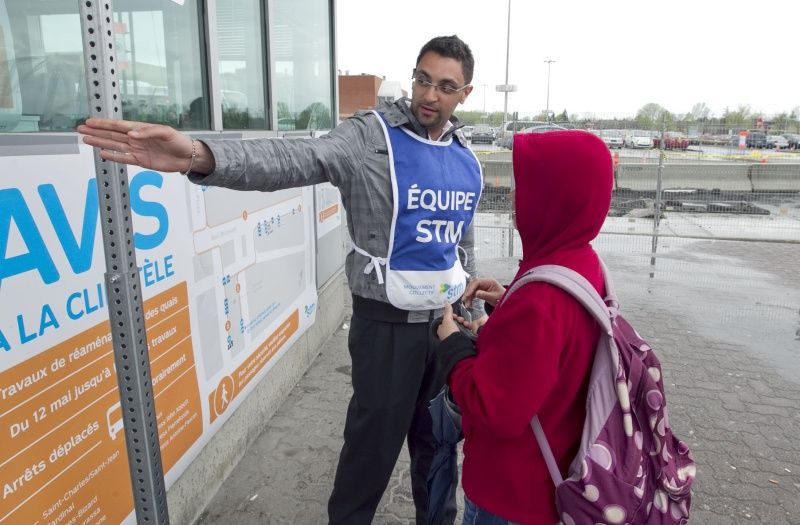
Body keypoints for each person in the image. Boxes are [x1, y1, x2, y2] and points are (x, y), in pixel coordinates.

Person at [78, 35, 485, 525]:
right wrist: (198, 156)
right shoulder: (368, 137)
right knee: (368, 459)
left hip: (446, 332)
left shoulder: (466, 158)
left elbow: (460, 240)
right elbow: (292, 160)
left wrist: (471, 309)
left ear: (464, 94)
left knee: (439, 452)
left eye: (445, 86)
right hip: (386, 331)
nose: (428, 94)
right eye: (423, 79)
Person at [434, 130, 613, 524]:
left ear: (554, 198)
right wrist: (509, 296)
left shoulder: (540, 301)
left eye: (525, 186)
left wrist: (453, 347)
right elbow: (559, 341)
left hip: (512, 495)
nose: (514, 198)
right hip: (553, 467)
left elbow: (495, 410)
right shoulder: (581, 261)